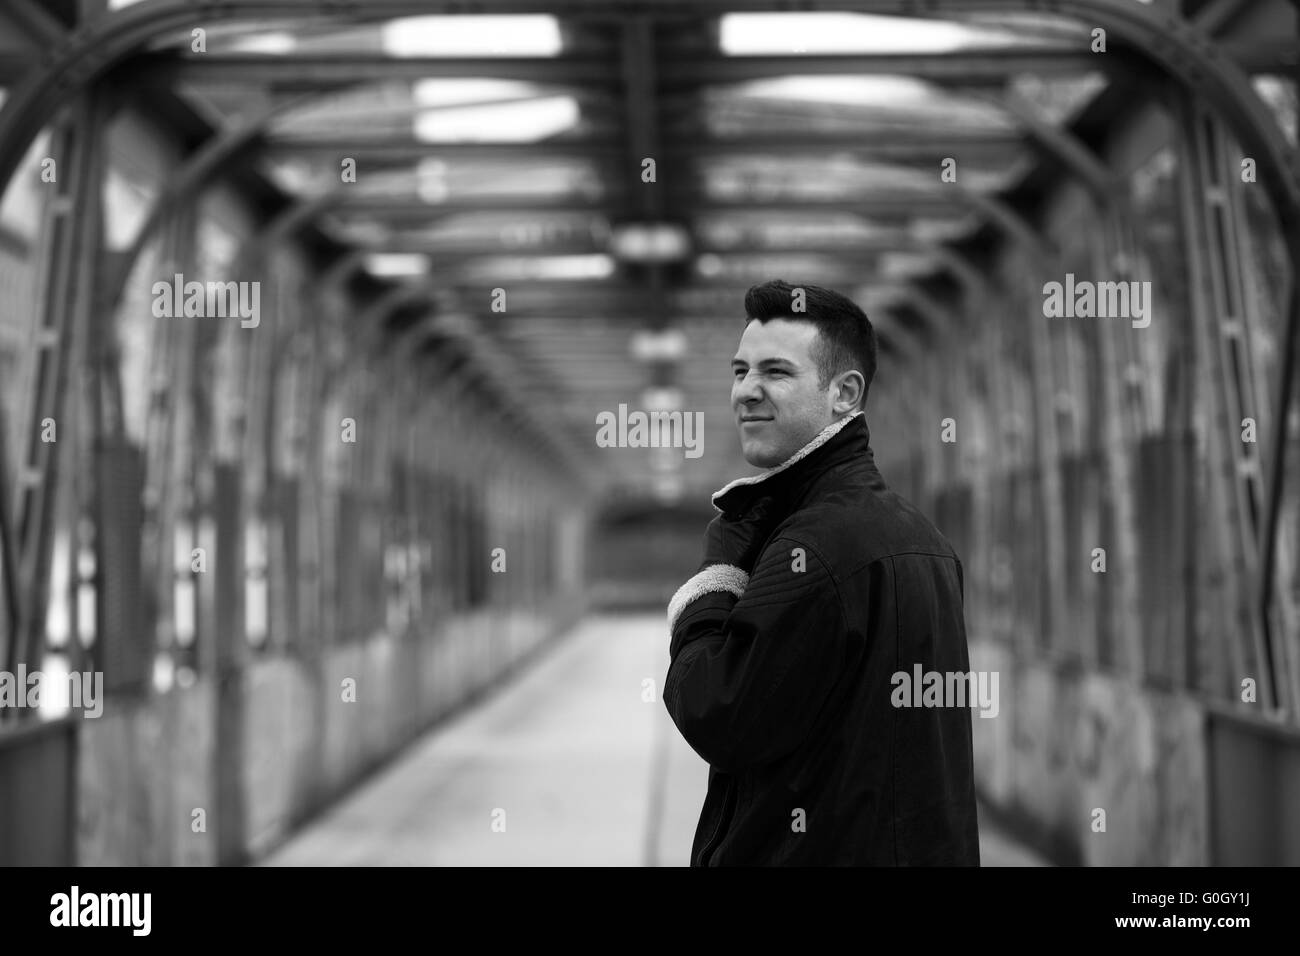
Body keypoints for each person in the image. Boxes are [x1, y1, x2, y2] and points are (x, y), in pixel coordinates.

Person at [663, 279, 980, 866]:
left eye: (776, 373)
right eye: (739, 371)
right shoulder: (923, 539)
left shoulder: (814, 545)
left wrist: (714, 580)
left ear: (844, 393)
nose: (746, 392)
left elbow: (718, 713)